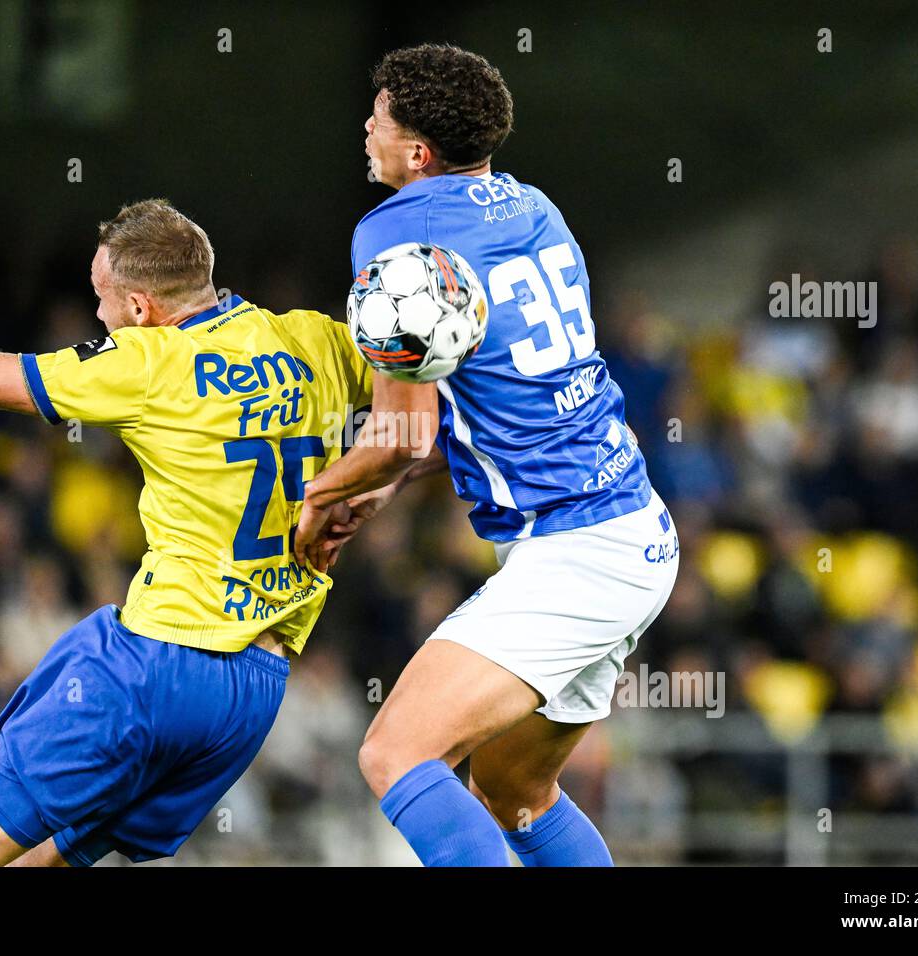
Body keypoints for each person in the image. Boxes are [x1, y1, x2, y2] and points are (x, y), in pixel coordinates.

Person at [0, 198, 372, 866]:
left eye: (103, 299)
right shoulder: (315, 339)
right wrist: (371, 480)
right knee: (37, 862)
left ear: (143, 308)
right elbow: (431, 395)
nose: (97, 317)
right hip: (253, 693)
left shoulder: (149, 361)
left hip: (159, 666)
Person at [295, 44, 679, 866]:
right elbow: (494, 410)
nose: (366, 124)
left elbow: (398, 434)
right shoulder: (536, 207)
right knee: (513, 793)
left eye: (382, 116)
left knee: (395, 753)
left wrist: (322, 492)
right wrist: (385, 486)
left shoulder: (395, 233)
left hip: (573, 551)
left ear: (417, 154)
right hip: (634, 530)